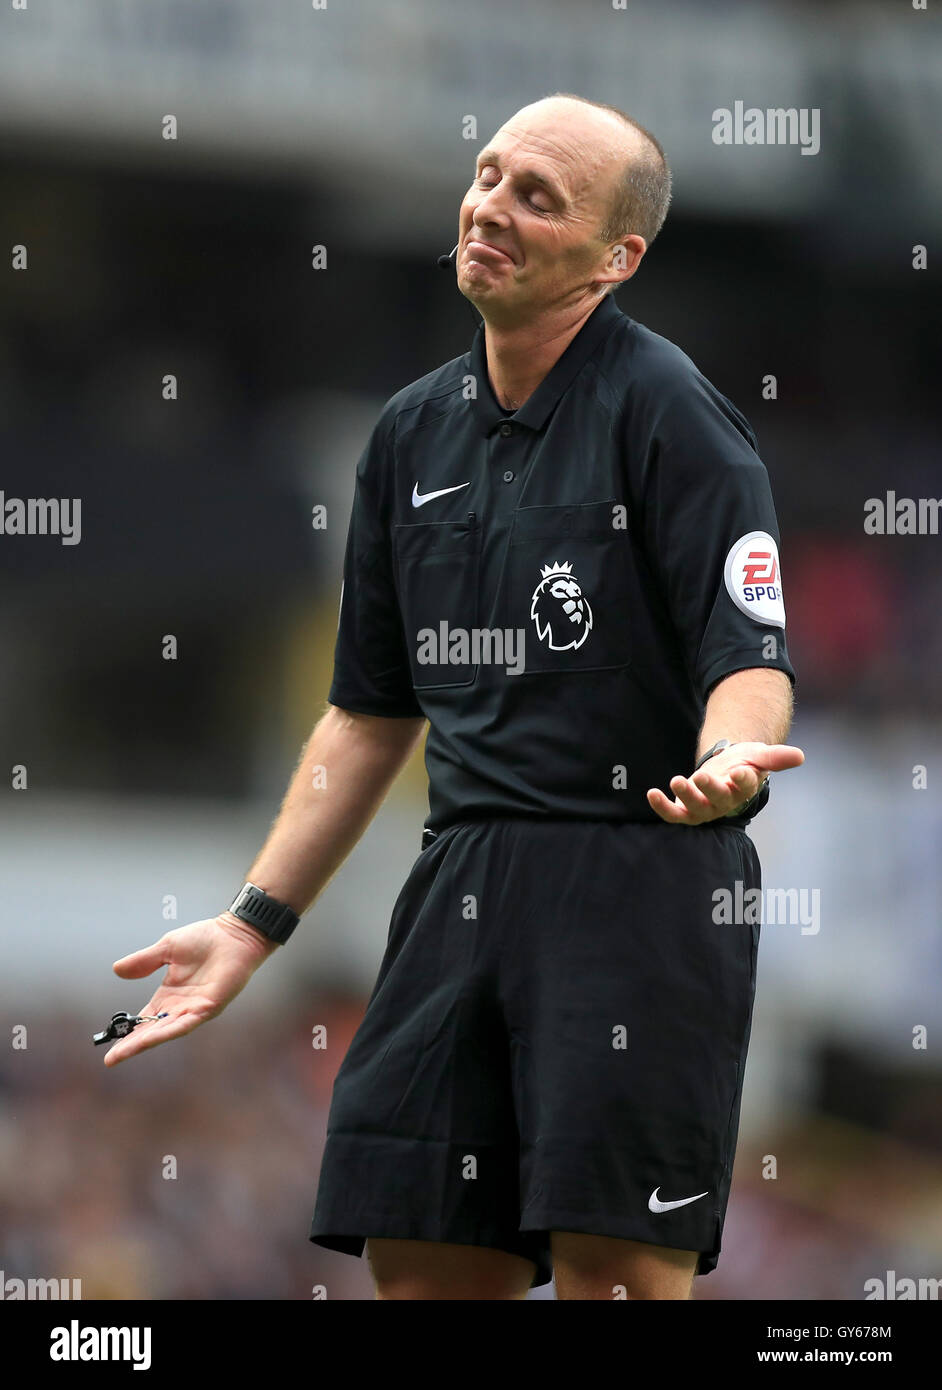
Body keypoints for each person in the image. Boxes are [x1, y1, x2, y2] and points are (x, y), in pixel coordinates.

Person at [103, 93, 804, 1301]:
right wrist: (253, 921)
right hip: (460, 879)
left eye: (542, 197)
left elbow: (750, 655)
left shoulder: (673, 414)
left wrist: (730, 763)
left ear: (614, 258)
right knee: (423, 1262)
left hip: (638, 879)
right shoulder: (408, 435)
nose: (493, 207)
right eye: (490, 174)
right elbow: (369, 713)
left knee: (618, 1273)